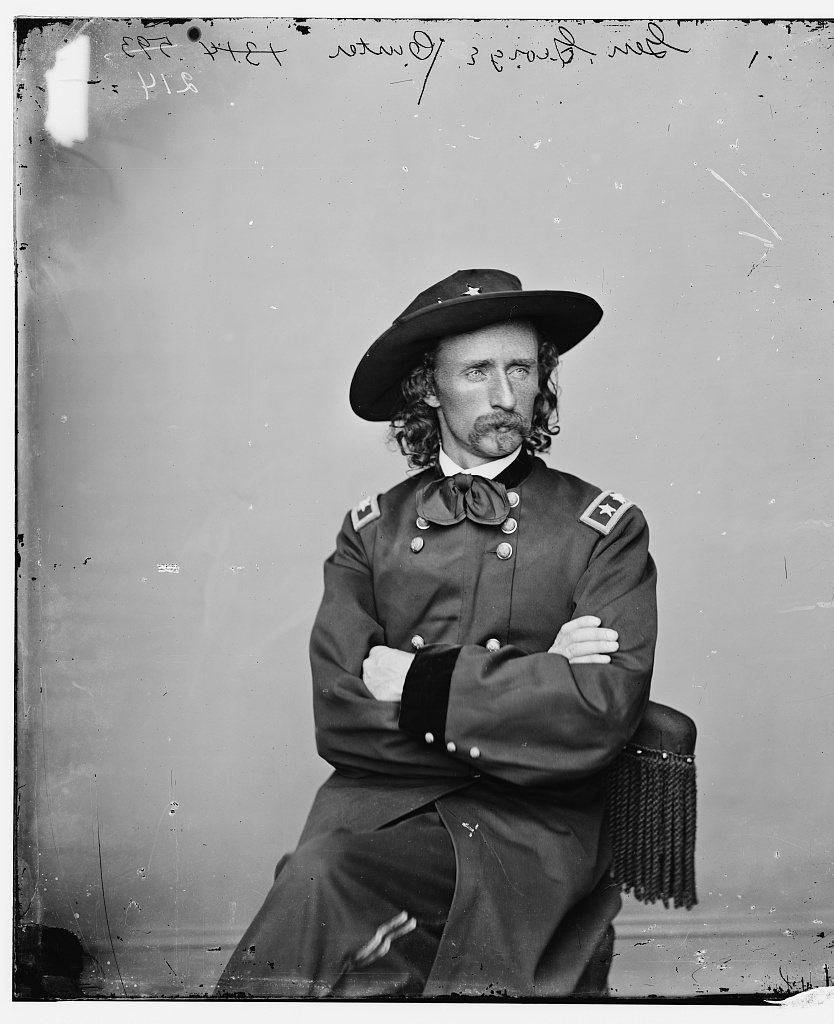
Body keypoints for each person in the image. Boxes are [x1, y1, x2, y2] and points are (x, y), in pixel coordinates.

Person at [215, 268, 657, 998]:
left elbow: (597, 714)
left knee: (332, 896)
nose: (505, 394)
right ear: (428, 387)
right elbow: (340, 718)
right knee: (323, 879)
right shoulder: (370, 531)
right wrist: (535, 679)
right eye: (477, 371)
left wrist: (415, 682)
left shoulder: (602, 529)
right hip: (379, 809)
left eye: (521, 369)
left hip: (528, 827)